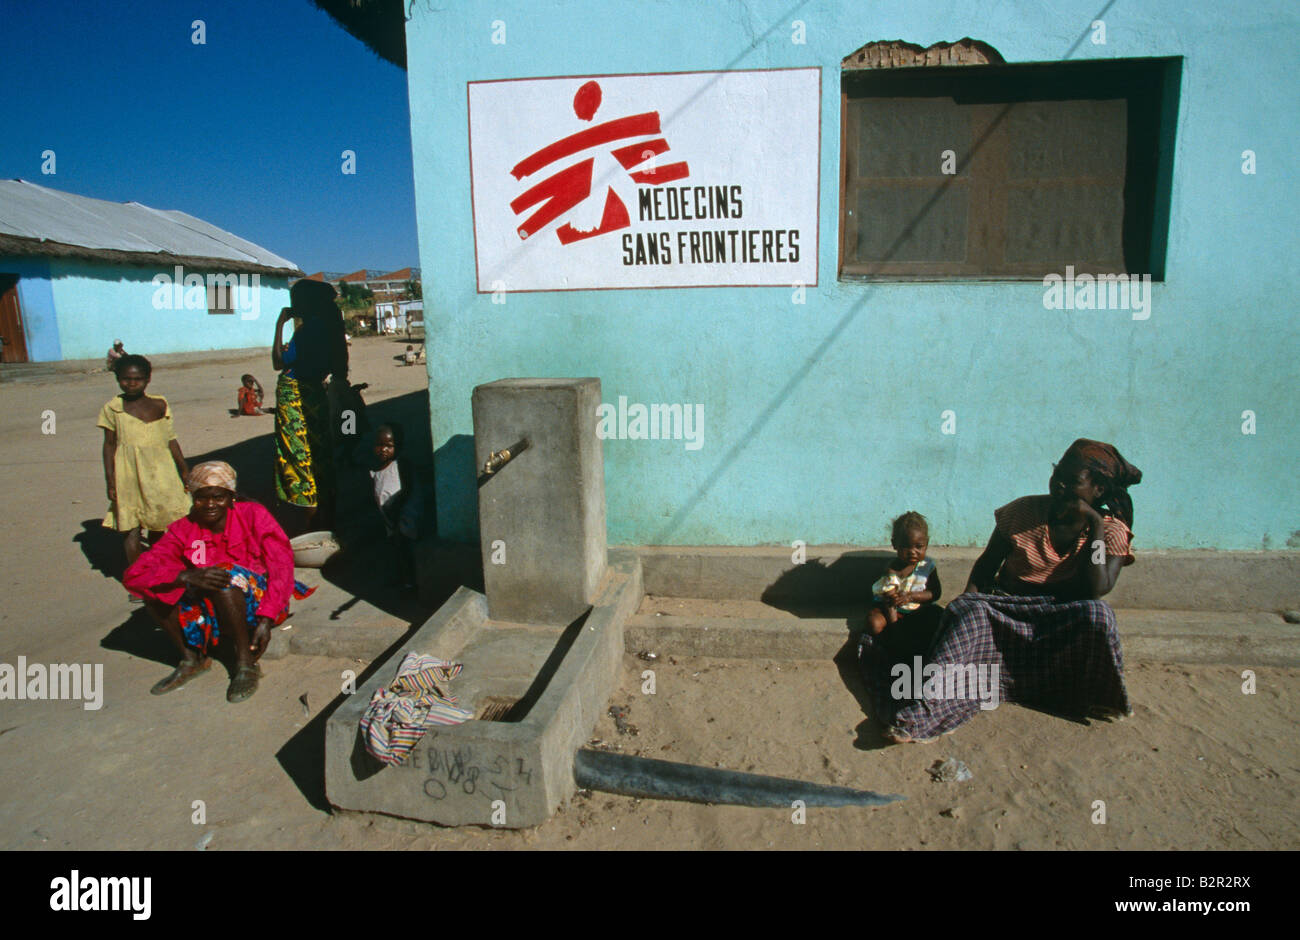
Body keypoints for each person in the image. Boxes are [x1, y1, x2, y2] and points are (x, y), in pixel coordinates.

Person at [863, 438, 1143, 744]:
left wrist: (1095, 524)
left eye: (1071, 481)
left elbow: (1096, 588)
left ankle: (1075, 694)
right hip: (1004, 609)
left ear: (1098, 490)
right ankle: (925, 712)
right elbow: (985, 569)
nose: (1059, 485)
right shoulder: (1021, 513)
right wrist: (963, 608)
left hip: (1057, 619)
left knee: (1098, 615)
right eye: (1056, 475)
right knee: (971, 613)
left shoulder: (1111, 531)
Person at [123, 461, 314, 702]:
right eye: (202, 498)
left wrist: (266, 619)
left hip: (260, 605)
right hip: (214, 604)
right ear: (193, 498)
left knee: (223, 574)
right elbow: (135, 574)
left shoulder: (253, 515)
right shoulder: (184, 529)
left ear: (231, 497)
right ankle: (192, 658)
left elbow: (281, 567)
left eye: (218, 497)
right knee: (155, 587)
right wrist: (184, 576)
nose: (210, 505)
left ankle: (245, 663)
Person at [98, 354, 191, 570]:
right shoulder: (113, 409)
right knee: (130, 528)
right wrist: (110, 480)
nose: (131, 383)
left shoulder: (160, 404)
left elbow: (171, 439)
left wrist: (183, 469)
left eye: (137, 379)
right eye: (125, 379)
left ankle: (156, 568)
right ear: (117, 379)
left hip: (161, 473)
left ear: (148, 379)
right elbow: (109, 446)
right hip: (128, 475)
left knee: (158, 523)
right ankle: (139, 578)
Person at [272, 279, 349, 534]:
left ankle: (311, 524)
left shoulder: (307, 331)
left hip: (294, 393)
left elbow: (277, 362)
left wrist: (280, 324)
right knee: (320, 453)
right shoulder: (331, 327)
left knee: (299, 457)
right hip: (315, 392)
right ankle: (330, 518)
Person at [866, 512, 942, 656]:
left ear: (927, 543)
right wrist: (895, 628)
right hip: (892, 611)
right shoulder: (892, 571)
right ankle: (890, 647)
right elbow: (890, 604)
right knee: (874, 623)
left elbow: (935, 593)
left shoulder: (928, 566)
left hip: (916, 610)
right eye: (906, 546)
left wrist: (911, 597)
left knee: (938, 616)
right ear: (895, 544)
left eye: (919, 546)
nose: (913, 552)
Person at [370, 423, 423, 588]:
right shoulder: (373, 470)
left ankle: (410, 582)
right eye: (379, 445)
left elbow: (408, 491)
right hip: (388, 519)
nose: (383, 449)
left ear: (398, 447)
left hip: (403, 517)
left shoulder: (401, 466)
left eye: (389, 446)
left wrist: (399, 513)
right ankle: (402, 579)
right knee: (395, 550)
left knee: (405, 549)